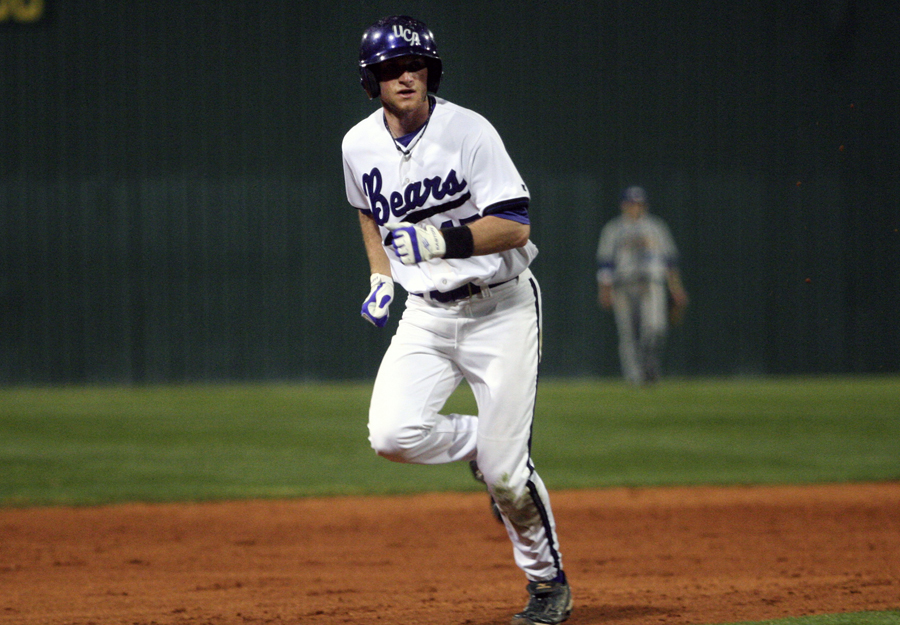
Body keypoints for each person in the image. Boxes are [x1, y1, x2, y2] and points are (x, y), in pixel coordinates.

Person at [341, 15, 572, 625]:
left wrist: (441, 242)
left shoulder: (469, 131)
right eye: (392, 68)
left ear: (432, 71)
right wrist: (380, 277)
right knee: (391, 435)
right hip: (427, 316)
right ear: (373, 82)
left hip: (501, 307)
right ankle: (483, 445)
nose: (406, 74)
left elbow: (516, 223)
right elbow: (367, 211)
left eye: (416, 64)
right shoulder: (356, 144)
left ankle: (546, 583)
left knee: (507, 477)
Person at [596, 186, 688, 385]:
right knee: (628, 333)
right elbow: (605, 263)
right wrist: (605, 290)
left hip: (652, 284)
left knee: (655, 329)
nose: (635, 208)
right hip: (623, 285)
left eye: (639, 203)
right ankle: (635, 376)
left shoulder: (656, 227)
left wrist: (676, 289)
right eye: (631, 203)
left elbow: (670, 262)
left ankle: (649, 366)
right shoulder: (614, 229)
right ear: (623, 205)